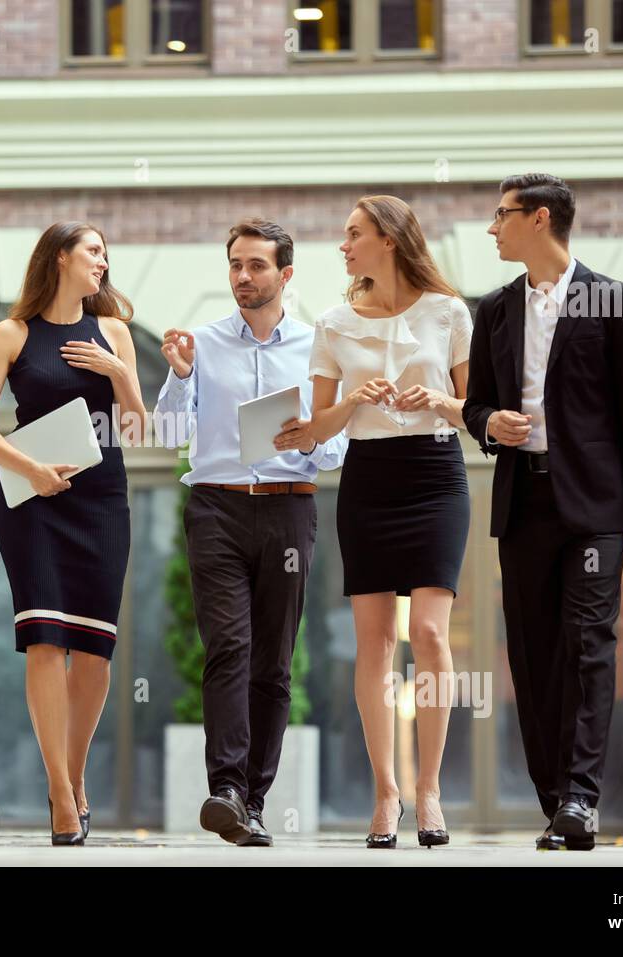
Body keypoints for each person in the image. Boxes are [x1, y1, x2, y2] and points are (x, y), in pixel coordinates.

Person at [463, 173, 623, 851]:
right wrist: (490, 420)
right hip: (525, 503)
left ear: (540, 218)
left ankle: (582, 796)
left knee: (589, 644)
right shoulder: (493, 310)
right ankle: (555, 798)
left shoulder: (616, 301)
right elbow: (473, 407)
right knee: (532, 655)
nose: (492, 228)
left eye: (502, 215)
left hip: (595, 508)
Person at [155, 218, 346, 847]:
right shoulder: (202, 343)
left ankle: (253, 801)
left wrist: (310, 437)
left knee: (274, 661)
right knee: (228, 646)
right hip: (217, 510)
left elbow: (339, 445)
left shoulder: (320, 346)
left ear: (285, 274)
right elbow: (163, 433)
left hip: (290, 509)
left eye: (256, 265)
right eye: (235, 264)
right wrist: (182, 376)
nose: (243, 276)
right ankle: (226, 788)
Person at [0, 222, 146, 846]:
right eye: (93, 250)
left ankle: (74, 775)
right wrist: (30, 469)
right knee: (45, 640)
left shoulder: (114, 332)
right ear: (61, 257)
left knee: (94, 651)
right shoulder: (10, 334)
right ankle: (62, 797)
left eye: (104, 253)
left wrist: (118, 371)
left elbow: (139, 426)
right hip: (33, 502)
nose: (102, 260)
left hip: (103, 501)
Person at [307, 195, 472, 848]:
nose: (344, 246)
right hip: (367, 477)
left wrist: (439, 399)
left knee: (429, 634)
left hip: (436, 474)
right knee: (372, 642)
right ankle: (386, 792)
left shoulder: (449, 312)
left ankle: (429, 788)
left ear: (390, 238)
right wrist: (351, 401)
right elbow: (312, 430)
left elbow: (475, 411)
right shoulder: (333, 323)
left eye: (353, 234)